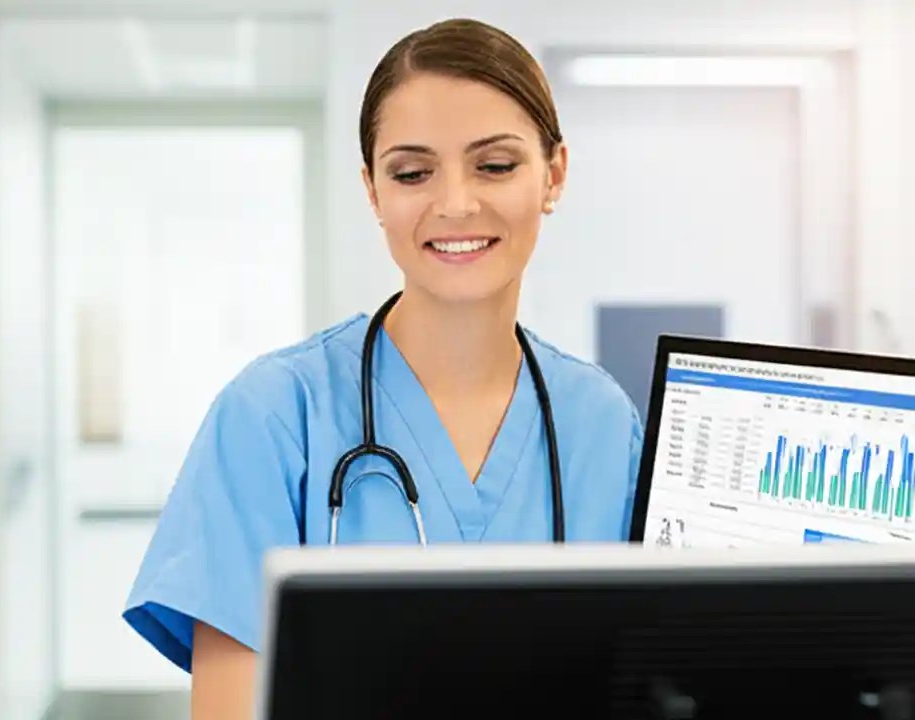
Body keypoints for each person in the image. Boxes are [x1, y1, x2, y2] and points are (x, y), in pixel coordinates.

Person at [123, 17, 643, 718]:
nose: (456, 203)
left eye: (495, 164)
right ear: (373, 192)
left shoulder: (601, 423)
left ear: (553, 176)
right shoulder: (276, 415)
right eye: (412, 172)